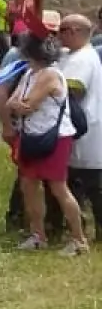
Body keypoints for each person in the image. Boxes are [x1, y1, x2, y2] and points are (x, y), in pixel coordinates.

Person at [2, 32, 89, 255]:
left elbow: (27, 105)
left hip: (55, 137)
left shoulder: (50, 75)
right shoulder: (30, 74)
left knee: (58, 187)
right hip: (31, 135)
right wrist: (19, 103)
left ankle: (79, 240)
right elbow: (13, 102)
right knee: (28, 185)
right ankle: (38, 235)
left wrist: (20, 103)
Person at [58, 14, 102, 240]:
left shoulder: (82, 58)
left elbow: (74, 89)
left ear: (73, 31)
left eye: (61, 31)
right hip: (79, 130)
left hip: (86, 129)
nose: (58, 36)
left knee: (91, 184)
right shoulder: (72, 55)